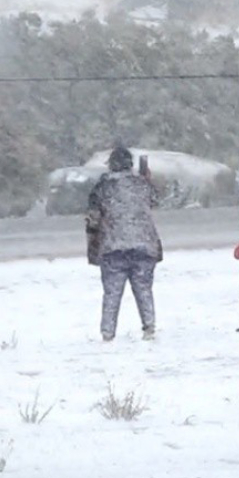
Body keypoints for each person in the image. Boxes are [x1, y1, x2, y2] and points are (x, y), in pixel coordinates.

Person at [86, 146, 162, 342]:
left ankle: (107, 332)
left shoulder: (103, 187)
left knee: (111, 294)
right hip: (144, 246)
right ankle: (149, 327)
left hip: (113, 248)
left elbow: (93, 219)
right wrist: (147, 179)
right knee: (144, 289)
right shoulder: (142, 184)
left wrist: (93, 248)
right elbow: (155, 200)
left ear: (111, 165)